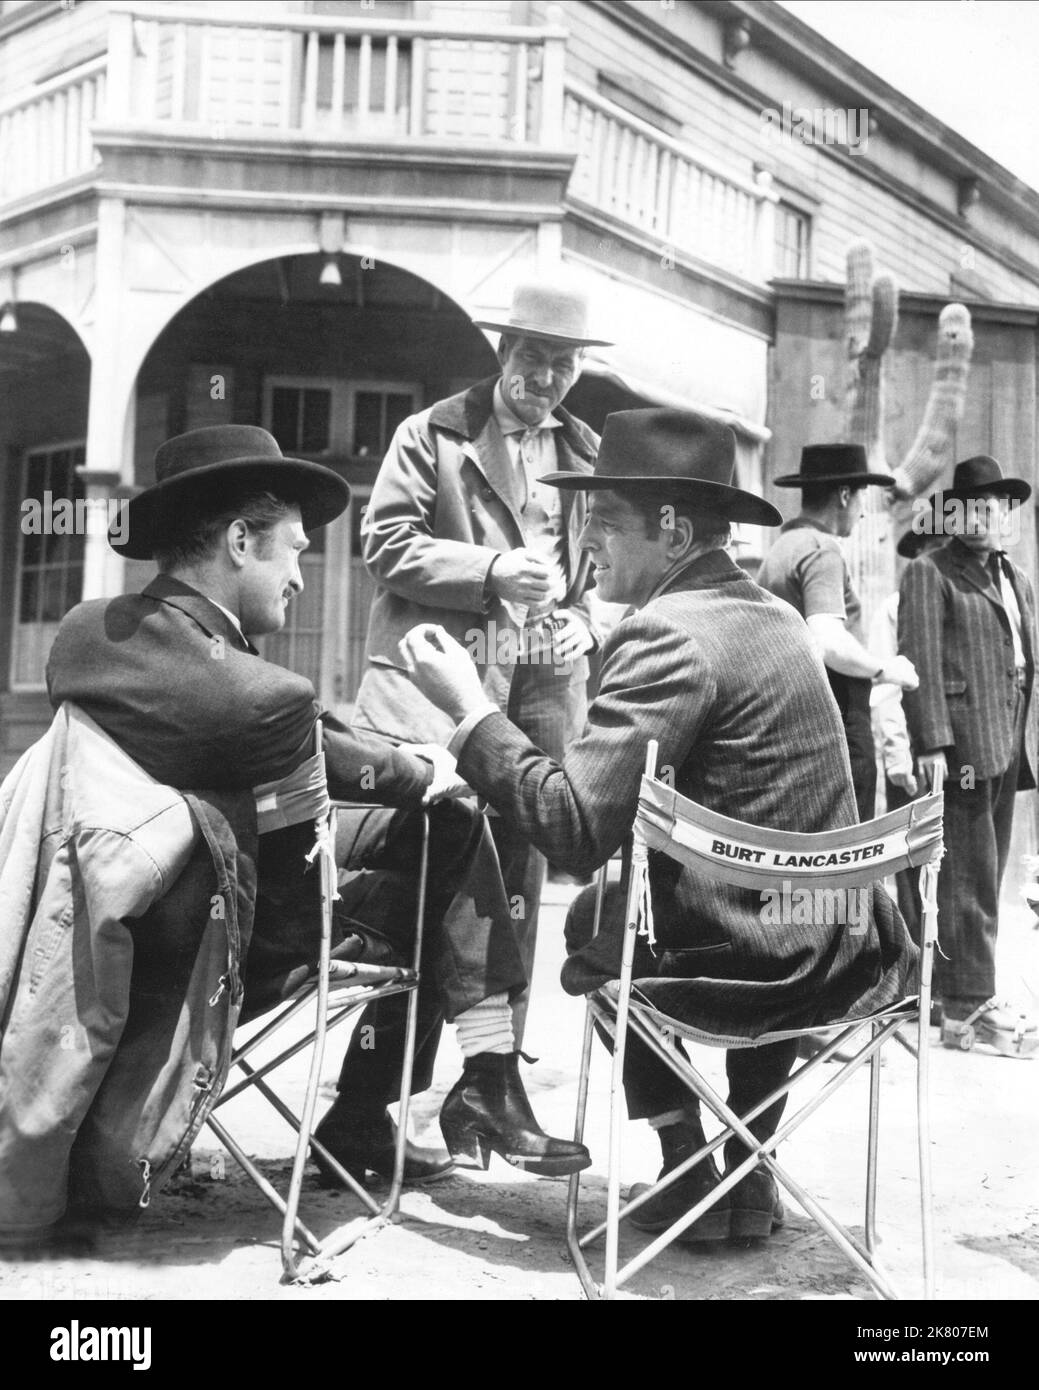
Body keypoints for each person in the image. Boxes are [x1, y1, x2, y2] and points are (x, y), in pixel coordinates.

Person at [400, 409, 917, 1243]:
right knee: (735, 901)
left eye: (604, 520)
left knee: (596, 922)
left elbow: (571, 829)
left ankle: (686, 1166)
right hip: (845, 941)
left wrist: (466, 711)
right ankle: (748, 1177)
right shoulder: (775, 620)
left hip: (758, 967)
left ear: (671, 530)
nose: (585, 541)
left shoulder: (664, 637)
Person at [47, 425, 590, 1189]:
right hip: (230, 945)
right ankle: (472, 1078)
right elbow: (296, 727)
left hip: (118, 924)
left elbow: (273, 726)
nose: (301, 575)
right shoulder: (256, 690)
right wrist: (431, 767)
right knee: (450, 842)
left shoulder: (84, 637)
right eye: (294, 550)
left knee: (440, 841)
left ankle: (398, 1105)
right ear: (240, 541)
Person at [351, 281, 609, 1038]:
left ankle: (491, 1081)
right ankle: (380, 1100)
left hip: (539, 692)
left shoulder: (588, 456)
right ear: (504, 353)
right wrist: (490, 572)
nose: (549, 378)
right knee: (436, 884)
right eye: (535, 357)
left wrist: (586, 625)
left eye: (566, 364)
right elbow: (386, 544)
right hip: (436, 686)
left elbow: (608, 575)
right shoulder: (431, 434)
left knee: (517, 888)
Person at [898, 455, 1039, 1057]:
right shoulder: (932, 572)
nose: (983, 516)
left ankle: (960, 997)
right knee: (966, 875)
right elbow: (920, 660)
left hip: (1006, 740)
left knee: (986, 870)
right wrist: (930, 740)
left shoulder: (1015, 578)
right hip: (959, 745)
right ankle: (968, 1007)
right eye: (971, 506)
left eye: (994, 506)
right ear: (950, 516)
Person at [758, 444, 918, 821]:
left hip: (789, 725)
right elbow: (827, 641)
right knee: (847, 854)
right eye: (862, 496)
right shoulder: (820, 547)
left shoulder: (781, 548)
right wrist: (885, 669)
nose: (863, 510)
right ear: (845, 495)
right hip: (836, 724)